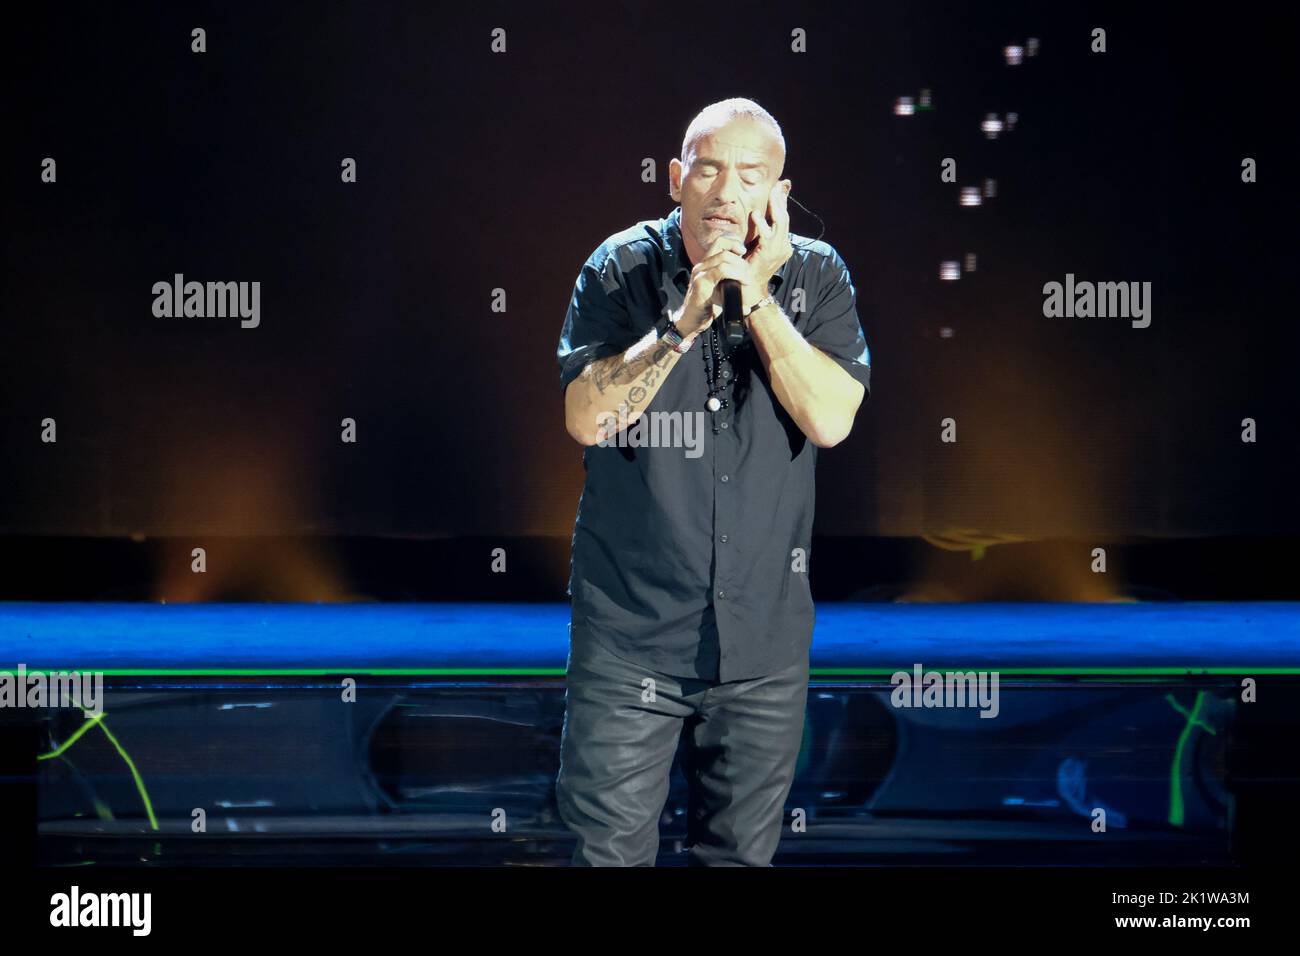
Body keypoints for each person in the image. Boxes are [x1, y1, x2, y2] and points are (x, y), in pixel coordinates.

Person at [554, 97, 871, 865]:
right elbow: (585, 418)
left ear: (778, 194)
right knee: (607, 855)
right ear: (675, 180)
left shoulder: (817, 277)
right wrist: (681, 325)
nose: (727, 192)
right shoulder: (620, 268)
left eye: (750, 175)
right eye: (708, 169)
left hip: (762, 644)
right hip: (632, 636)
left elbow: (831, 419)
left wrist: (754, 297)